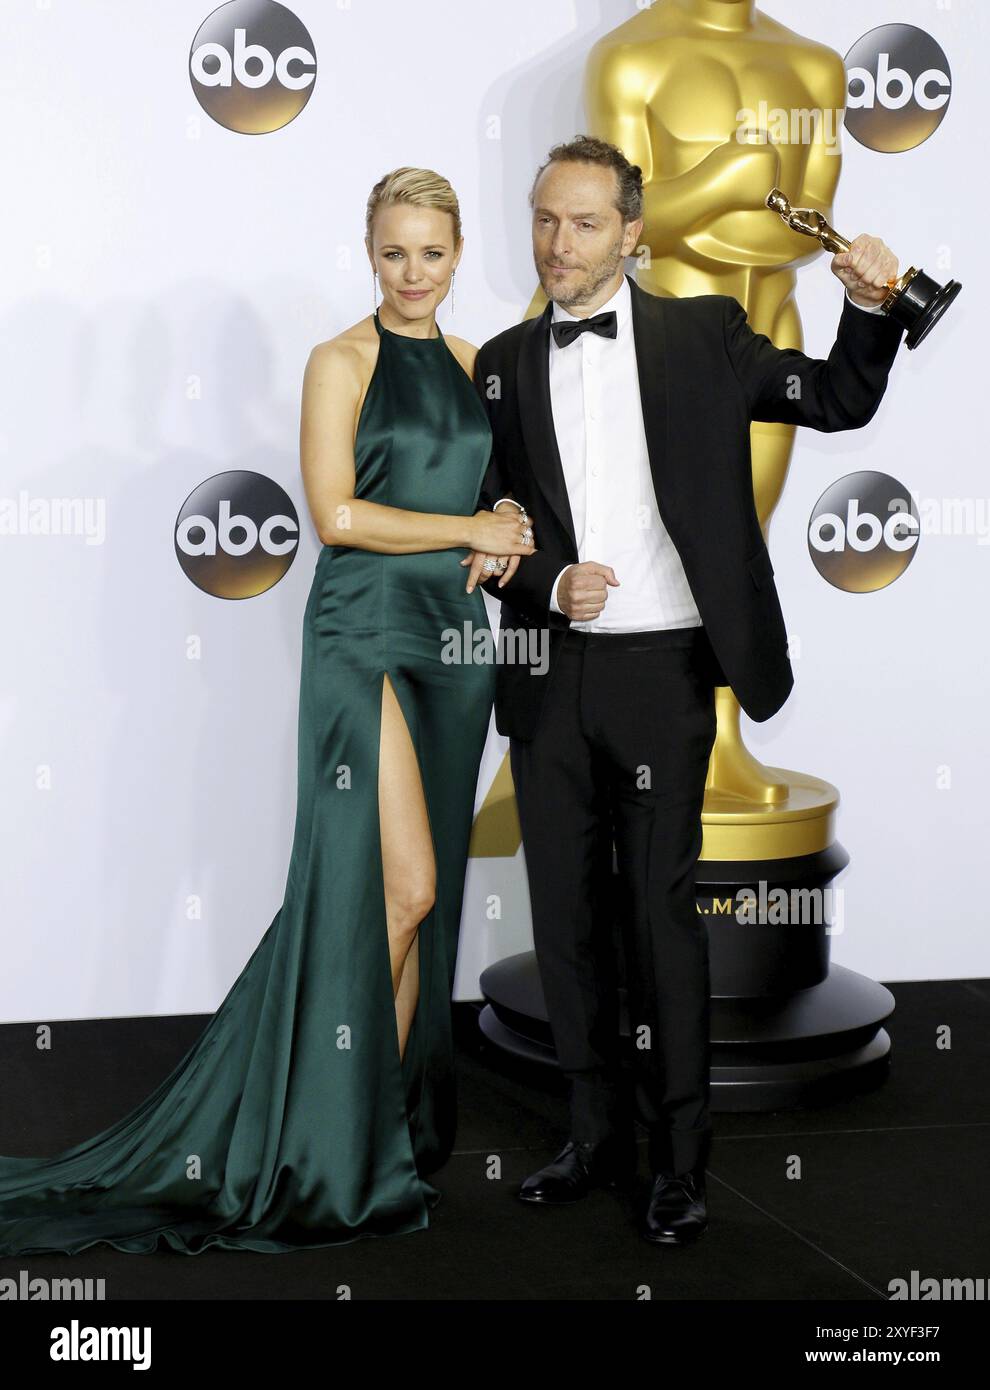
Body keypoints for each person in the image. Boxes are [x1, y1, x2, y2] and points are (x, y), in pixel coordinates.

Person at [0, 166, 533, 1255]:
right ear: (368, 251)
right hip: (361, 637)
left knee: (415, 907)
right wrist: (465, 527)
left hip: (454, 646)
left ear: (460, 250)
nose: (414, 273)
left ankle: (374, 1125)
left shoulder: (483, 367)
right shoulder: (338, 361)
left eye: (433, 251)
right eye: (394, 252)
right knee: (403, 884)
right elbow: (334, 514)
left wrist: (508, 515)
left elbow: (501, 494)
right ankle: (331, 1143)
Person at [465, 134, 904, 1245]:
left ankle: (681, 1161)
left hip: (665, 678)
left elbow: (839, 398)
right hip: (548, 677)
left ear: (632, 235)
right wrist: (542, 583)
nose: (557, 243)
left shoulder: (705, 334)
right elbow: (489, 532)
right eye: (543, 219)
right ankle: (591, 1134)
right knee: (563, 919)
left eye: (581, 223)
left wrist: (868, 308)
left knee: (661, 922)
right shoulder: (504, 362)